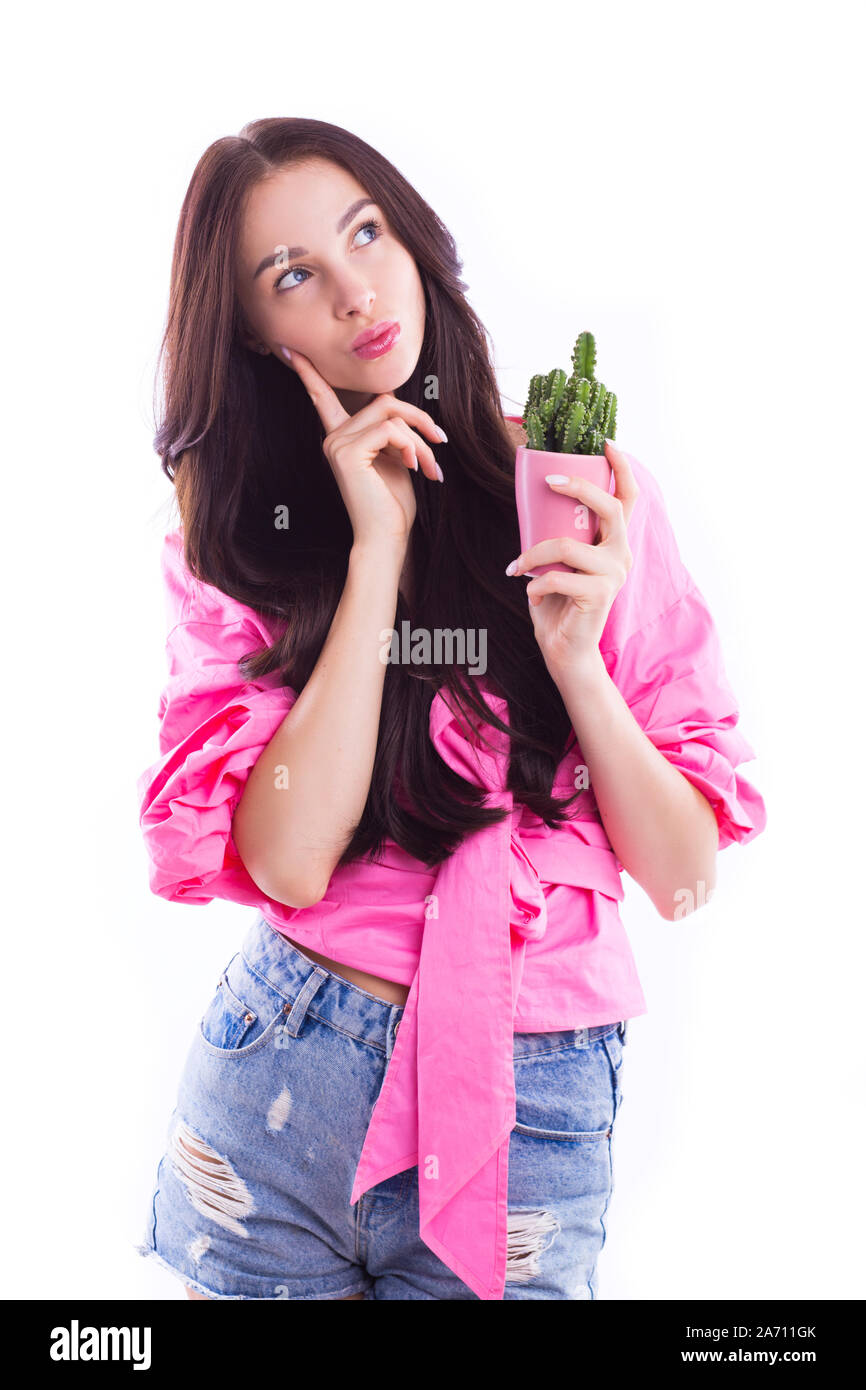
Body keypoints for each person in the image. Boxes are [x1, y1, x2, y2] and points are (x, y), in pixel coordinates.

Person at [133, 117, 767, 1301]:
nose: (354, 289)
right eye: (293, 276)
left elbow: (682, 877)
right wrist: (375, 551)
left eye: (364, 232)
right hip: (282, 1090)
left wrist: (577, 667)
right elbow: (287, 863)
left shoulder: (577, 495)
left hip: (532, 1105)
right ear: (256, 337)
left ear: (410, 234)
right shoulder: (243, 554)